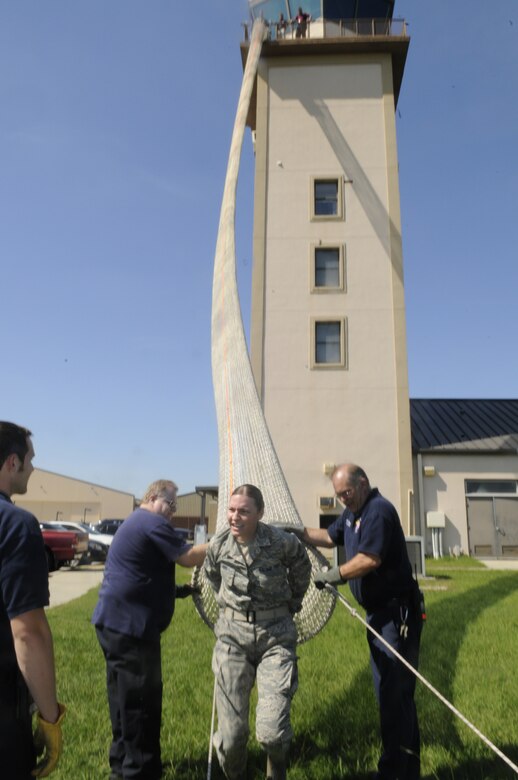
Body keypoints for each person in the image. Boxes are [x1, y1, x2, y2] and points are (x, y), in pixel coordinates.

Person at [304, 464, 422, 780]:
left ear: (363, 484)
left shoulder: (377, 511)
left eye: (347, 492)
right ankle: (404, 768)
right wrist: (299, 533)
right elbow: (330, 538)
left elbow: (370, 559)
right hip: (379, 614)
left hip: (396, 615)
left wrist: (336, 573)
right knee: (391, 690)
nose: (343, 499)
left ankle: (395, 771)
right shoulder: (352, 513)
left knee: (393, 692)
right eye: (339, 494)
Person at [92, 479, 207, 780]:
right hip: (131, 628)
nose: (172, 512)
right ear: (154, 497)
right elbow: (187, 557)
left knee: (122, 701)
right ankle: (140, 771)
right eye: (171, 505)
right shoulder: (150, 521)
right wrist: (225, 541)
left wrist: (180, 591)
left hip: (113, 623)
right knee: (141, 704)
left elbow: (143, 571)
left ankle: (122, 765)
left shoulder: (137, 521)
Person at [204, 484, 311, 780]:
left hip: (275, 638)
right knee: (232, 737)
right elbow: (212, 577)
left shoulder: (280, 542)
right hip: (232, 640)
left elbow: (302, 568)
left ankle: (276, 768)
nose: (234, 517)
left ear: (260, 513)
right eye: (231, 510)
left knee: (272, 732)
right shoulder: (218, 545)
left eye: (243, 511)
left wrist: (293, 602)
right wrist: (232, 612)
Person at [0, 421, 65, 779]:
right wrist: (50, 719)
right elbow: (29, 634)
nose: (34, 467)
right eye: (30, 459)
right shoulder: (15, 524)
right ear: (12, 463)